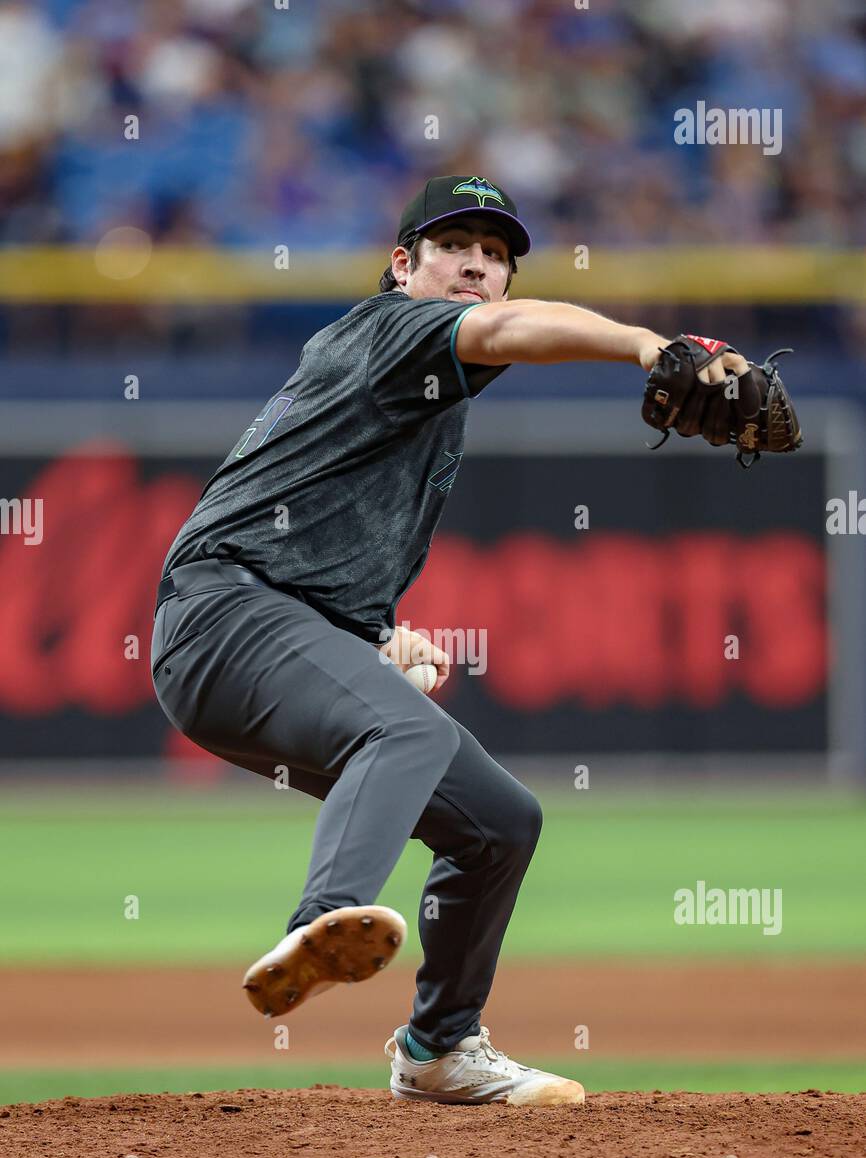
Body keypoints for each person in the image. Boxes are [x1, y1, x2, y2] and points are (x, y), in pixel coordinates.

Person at [151, 174, 747, 1106]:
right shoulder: (388, 331)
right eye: (454, 245)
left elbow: (308, 528)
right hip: (220, 615)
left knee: (498, 825)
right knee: (404, 730)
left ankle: (439, 1048)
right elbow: (510, 330)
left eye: (496, 254)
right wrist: (647, 344)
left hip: (263, 628)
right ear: (403, 266)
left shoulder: (425, 401)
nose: (477, 263)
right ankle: (323, 922)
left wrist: (374, 637)